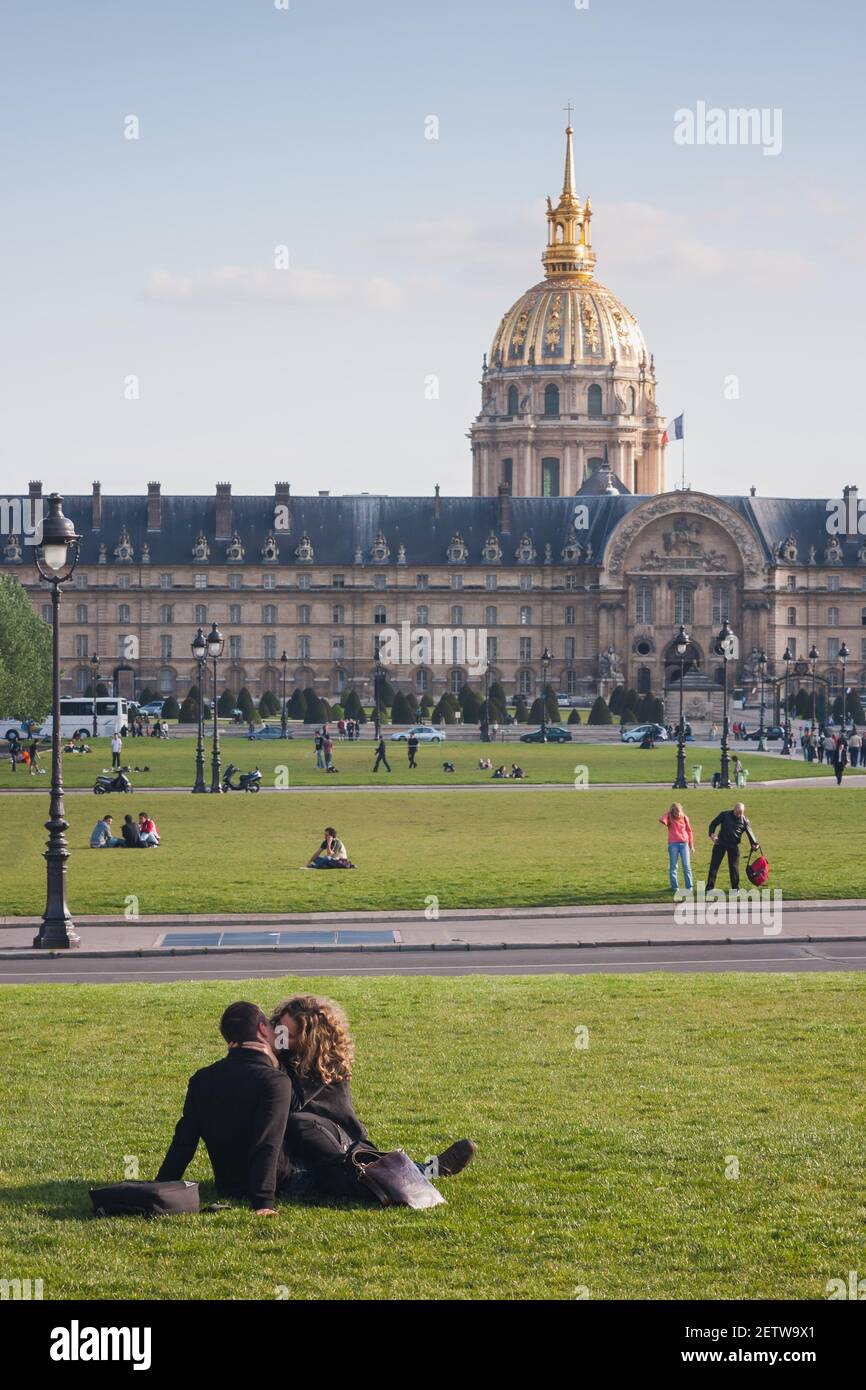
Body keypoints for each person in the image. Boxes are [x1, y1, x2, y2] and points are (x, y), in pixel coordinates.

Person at [270, 995, 476, 1202]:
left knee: (378, 1171)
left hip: (340, 1141)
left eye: (289, 1035)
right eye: (279, 1028)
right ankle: (425, 1168)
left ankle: (429, 1169)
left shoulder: (325, 1062)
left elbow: (292, 1100)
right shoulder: (287, 1053)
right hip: (308, 1146)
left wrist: (272, 1057)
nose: (281, 1038)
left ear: (311, 1040)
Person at [157, 1001, 292, 1215]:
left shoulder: (202, 1078)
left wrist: (161, 1185)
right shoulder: (275, 1080)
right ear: (261, 1029)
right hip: (281, 1181)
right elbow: (268, 1142)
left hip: (228, 1183)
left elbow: (184, 1141)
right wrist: (263, 1202)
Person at [706, 802, 759, 891]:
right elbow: (713, 824)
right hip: (720, 843)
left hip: (734, 845)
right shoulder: (724, 815)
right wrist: (712, 835)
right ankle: (709, 888)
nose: (738, 815)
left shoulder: (744, 820)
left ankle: (735, 889)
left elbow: (750, 834)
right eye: (737, 812)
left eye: (740, 813)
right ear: (734, 810)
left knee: (734, 868)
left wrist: (754, 844)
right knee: (714, 866)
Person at [659, 802, 694, 893]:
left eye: (679, 811)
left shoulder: (685, 818)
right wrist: (669, 813)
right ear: (672, 812)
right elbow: (662, 820)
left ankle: (689, 887)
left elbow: (689, 832)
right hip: (673, 844)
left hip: (684, 844)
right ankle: (675, 887)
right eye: (675, 812)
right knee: (673, 866)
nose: (678, 814)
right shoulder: (669, 818)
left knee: (686, 866)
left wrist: (691, 845)